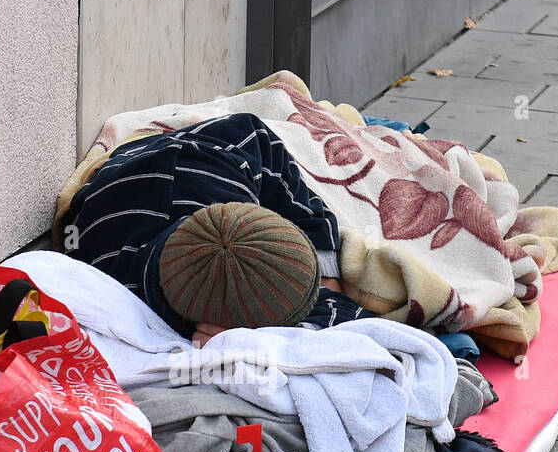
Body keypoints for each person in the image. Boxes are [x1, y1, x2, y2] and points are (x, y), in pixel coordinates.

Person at [62, 113, 370, 345]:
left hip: (203, 154)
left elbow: (256, 132)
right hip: (126, 186)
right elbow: (357, 334)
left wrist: (328, 278)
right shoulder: (112, 296)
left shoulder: (237, 155)